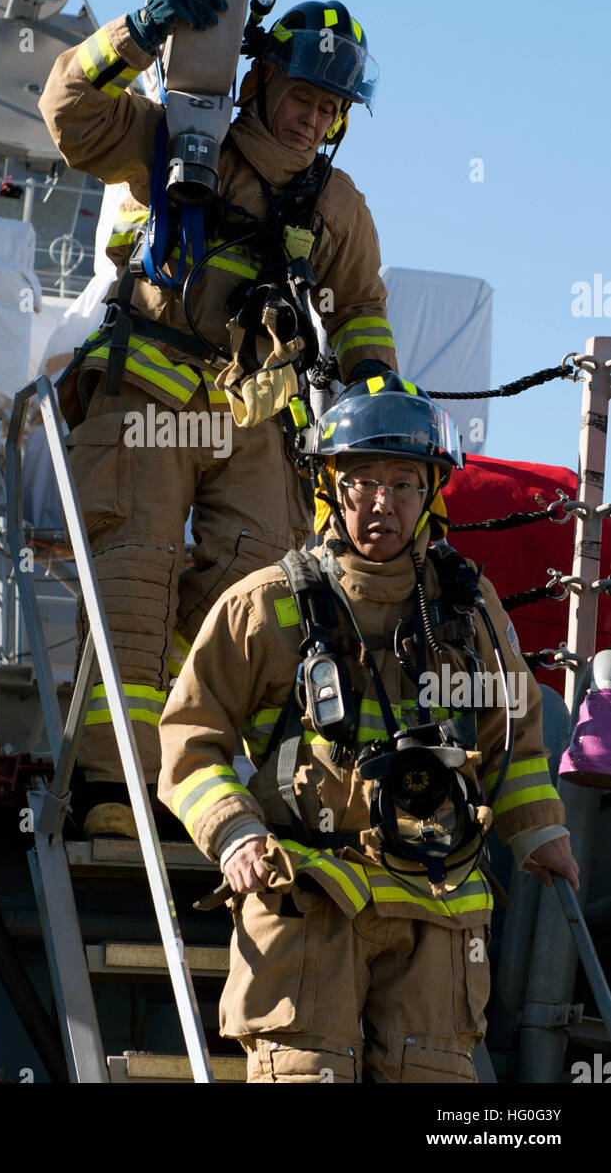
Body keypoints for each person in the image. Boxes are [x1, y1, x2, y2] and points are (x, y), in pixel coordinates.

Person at [41, 0, 398, 838]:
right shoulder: (174, 137)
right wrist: (141, 29)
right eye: (299, 96)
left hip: (251, 419)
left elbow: (360, 312)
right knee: (136, 578)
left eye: (328, 106)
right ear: (259, 84)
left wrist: (379, 400)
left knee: (258, 596)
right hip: (148, 405)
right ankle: (109, 789)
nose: (310, 118)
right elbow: (71, 109)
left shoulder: (337, 206)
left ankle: (184, 777)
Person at [158, 375, 578, 1083]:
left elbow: (516, 744)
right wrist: (233, 832)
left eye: (403, 482)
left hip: (436, 910)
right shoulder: (263, 607)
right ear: (329, 488)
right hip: (307, 897)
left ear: (429, 495)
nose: (381, 501)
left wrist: (541, 833)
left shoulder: (472, 614)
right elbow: (190, 736)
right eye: (359, 481)